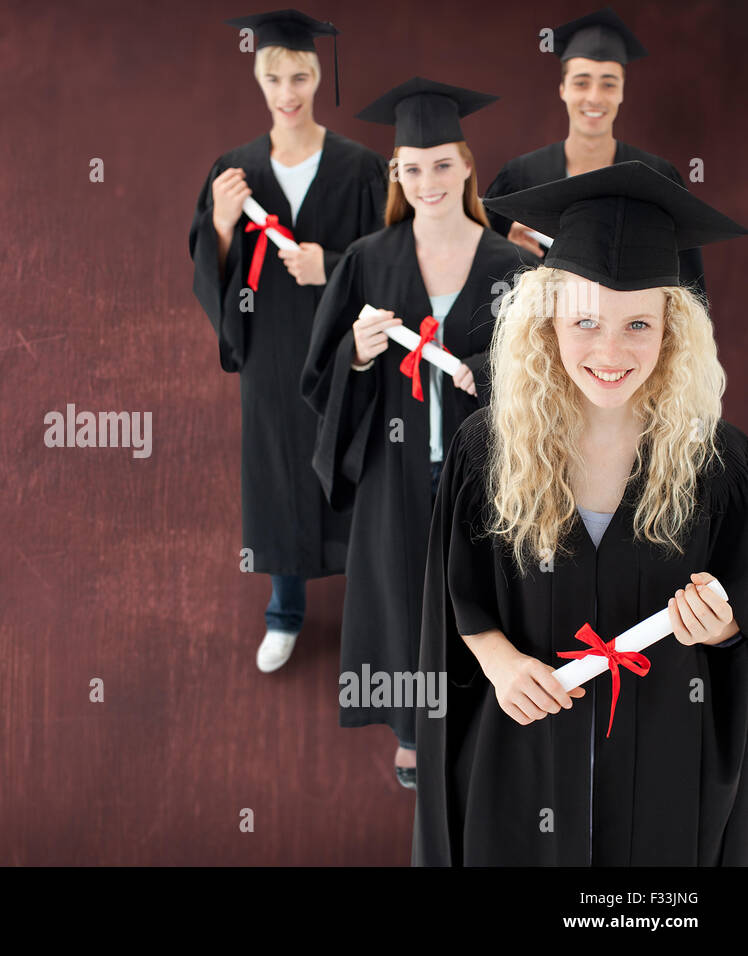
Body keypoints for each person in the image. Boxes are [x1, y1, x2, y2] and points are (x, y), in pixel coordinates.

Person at [414, 161, 748, 865]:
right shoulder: (489, 449)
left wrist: (724, 628)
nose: (610, 350)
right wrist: (501, 663)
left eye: (638, 324)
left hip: (664, 765)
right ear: (547, 321)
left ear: (672, 331)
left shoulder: (716, 462)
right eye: (585, 320)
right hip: (524, 752)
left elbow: (743, 600)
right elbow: (456, 597)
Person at [300, 78, 538, 788]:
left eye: (442, 164)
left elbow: (543, 371)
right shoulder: (369, 260)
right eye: (412, 167)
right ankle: (410, 728)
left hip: (482, 468)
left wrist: (483, 371)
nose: (428, 180)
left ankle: (477, 724)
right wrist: (360, 352)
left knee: (479, 593)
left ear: (466, 164)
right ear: (395, 175)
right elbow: (322, 371)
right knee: (402, 596)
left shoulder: (513, 267)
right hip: (393, 467)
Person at [189, 10, 386, 673]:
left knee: (358, 471)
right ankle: (285, 612)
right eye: (273, 76)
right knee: (279, 475)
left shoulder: (361, 167)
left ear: (317, 73)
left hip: (346, 352)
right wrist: (221, 223)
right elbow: (209, 267)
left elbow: (393, 257)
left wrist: (328, 264)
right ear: (258, 78)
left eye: (299, 75)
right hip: (272, 356)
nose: (288, 90)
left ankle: (373, 612)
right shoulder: (236, 172)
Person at [483, 7, 707, 300]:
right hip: (541, 340)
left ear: (622, 91)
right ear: (563, 88)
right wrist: (510, 252)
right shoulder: (520, 178)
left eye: (608, 83)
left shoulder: (658, 180)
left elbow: (687, 292)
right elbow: (481, 274)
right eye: (581, 82)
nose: (594, 97)